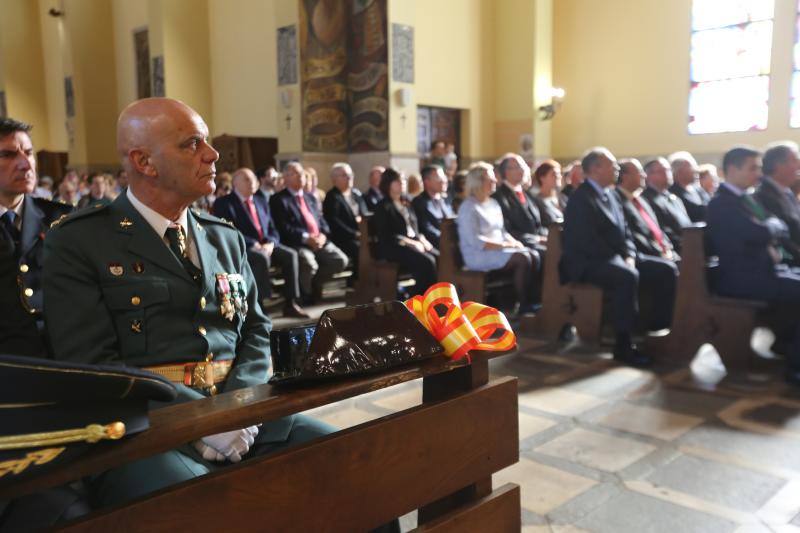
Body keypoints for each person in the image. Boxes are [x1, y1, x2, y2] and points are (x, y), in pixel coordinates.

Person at [42, 97, 336, 508]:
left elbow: (256, 330)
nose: (212, 154)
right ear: (144, 162)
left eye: (207, 141)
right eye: (192, 144)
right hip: (147, 428)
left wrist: (238, 410)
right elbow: (92, 364)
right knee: (207, 506)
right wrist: (200, 419)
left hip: (244, 418)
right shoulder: (80, 241)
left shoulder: (224, 237)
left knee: (353, 459)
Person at [560, 147, 677, 367]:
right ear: (596, 169)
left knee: (666, 269)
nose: (617, 169)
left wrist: (629, 255)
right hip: (587, 263)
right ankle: (623, 345)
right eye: (612, 165)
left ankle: (656, 330)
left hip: (616, 257)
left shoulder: (612, 195)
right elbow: (587, 241)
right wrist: (620, 259)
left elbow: (626, 233)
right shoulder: (580, 198)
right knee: (626, 277)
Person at [706, 146, 800, 386]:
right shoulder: (721, 203)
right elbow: (758, 232)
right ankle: (795, 367)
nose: (759, 174)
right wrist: (770, 229)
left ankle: (787, 344)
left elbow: (774, 227)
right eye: (753, 168)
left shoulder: (745, 198)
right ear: (732, 169)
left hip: (761, 272)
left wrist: (770, 229)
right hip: (742, 279)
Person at [0, 117, 72, 357]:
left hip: (61, 355)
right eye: (8, 155)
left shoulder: (62, 219)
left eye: (29, 153)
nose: (25, 164)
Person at [213, 167, 309, 318]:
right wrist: (253, 244)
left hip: (266, 245)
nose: (252, 182)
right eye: (247, 179)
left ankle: (290, 303)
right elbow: (229, 231)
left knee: (291, 255)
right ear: (235, 183)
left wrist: (271, 243)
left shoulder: (261, 200)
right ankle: (260, 306)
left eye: (253, 179)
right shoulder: (224, 203)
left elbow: (272, 228)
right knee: (260, 258)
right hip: (243, 247)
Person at [457, 162, 539, 315]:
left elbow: (502, 231)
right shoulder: (468, 207)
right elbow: (475, 241)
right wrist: (505, 245)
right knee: (522, 258)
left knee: (533, 254)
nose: (495, 181)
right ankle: (523, 304)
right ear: (479, 182)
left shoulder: (493, 203)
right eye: (490, 178)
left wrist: (514, 242)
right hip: (478, 255)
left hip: (497, 250)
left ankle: (531, 301)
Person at [270, 161, 348, 303]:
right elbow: (283, 227)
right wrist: (306, 238)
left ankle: (313, 285)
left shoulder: (310, 197)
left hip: (319, 241)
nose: (300, 175)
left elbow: (321, 220)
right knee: (309, 263)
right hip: (298, 243)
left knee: (340, 260)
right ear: (285, 178)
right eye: (295, 173)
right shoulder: (278, 199)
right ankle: (306, 295)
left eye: (301, 172)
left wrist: (323, 235)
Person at [373, 167, 438, 297]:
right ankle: (416, 297)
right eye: (397, 181)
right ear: (388, 184)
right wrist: (412, 243)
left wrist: (422, 240)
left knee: (438, 256)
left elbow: (415, 228)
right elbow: (387, 234)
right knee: (427, 262)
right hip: (394, 247)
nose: (402, 183)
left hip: (412, 243)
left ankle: (430, 296)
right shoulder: (383, 206)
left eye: (403, 180)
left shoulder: (406, 202)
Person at [616, 159, 676, 260]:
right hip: (646, 254)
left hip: (665, 252)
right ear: (625, 176)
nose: (644, 175)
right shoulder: (618, 201)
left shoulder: (642, 200)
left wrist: (668, 247)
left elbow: (657, 228)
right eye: (639, 172)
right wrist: (660, 252)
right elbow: (635, 235)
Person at [322, 162, 369, 282]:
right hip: (344, 238)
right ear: (334, 179)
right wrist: (355, 234)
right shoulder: (332, 197)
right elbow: (334, 221)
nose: (349, 178)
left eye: (350, 175)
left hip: (362, 234)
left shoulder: (356, 194)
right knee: (360, 250)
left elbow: (365, 213)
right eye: (344, 175)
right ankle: (356, 281)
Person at [755, 141, 800, 266]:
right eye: (794, 160)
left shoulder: (787, 192)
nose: (799, 165)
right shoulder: (763, 196)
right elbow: (781, 239)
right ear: (778, 166)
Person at [492, 153, 547, 253]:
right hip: (520, 244)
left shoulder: (528, 195)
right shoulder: (499, 197)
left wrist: (548, 237)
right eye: (517, 167)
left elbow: (538, 225)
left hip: (537, 241)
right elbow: (508, 230)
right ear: (506, 171)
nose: (522, 170)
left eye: (523, 166)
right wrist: (537, 239)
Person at [642, 157, 692, 252]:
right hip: (675, 249)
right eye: (662, 171)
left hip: (691, 245)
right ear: (648, 176)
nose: (667, 174)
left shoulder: (675, 198)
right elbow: (662, 229)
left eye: (668, 170)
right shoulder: (646, 200)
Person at [412, 165, 454, 249]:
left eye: (444, 177)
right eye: (439, 177)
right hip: (435, 246)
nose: (444, 180)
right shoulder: (419, 202)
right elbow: (427, 229)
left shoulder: (446, 200)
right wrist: (447, 240)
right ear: (427, 182)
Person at [668, 151, 707, 222]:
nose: (696, 171)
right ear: (679, 172)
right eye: (691, 167)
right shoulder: (672, 193)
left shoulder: (698, 190)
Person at [533, 159, 567, 227]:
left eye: (559, 173)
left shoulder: (563, 198)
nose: (558, 176)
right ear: (542, 178)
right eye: (554, 174)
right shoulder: (536, 202)